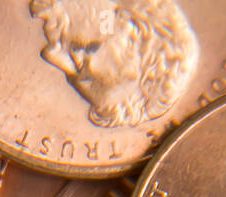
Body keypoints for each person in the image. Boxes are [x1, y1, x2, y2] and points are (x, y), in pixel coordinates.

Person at [30, 0, 198, 128]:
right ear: (133, 32)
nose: (53, 56)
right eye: (87, 51)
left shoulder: (110, 21)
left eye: (75, 75)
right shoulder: (109, 19)